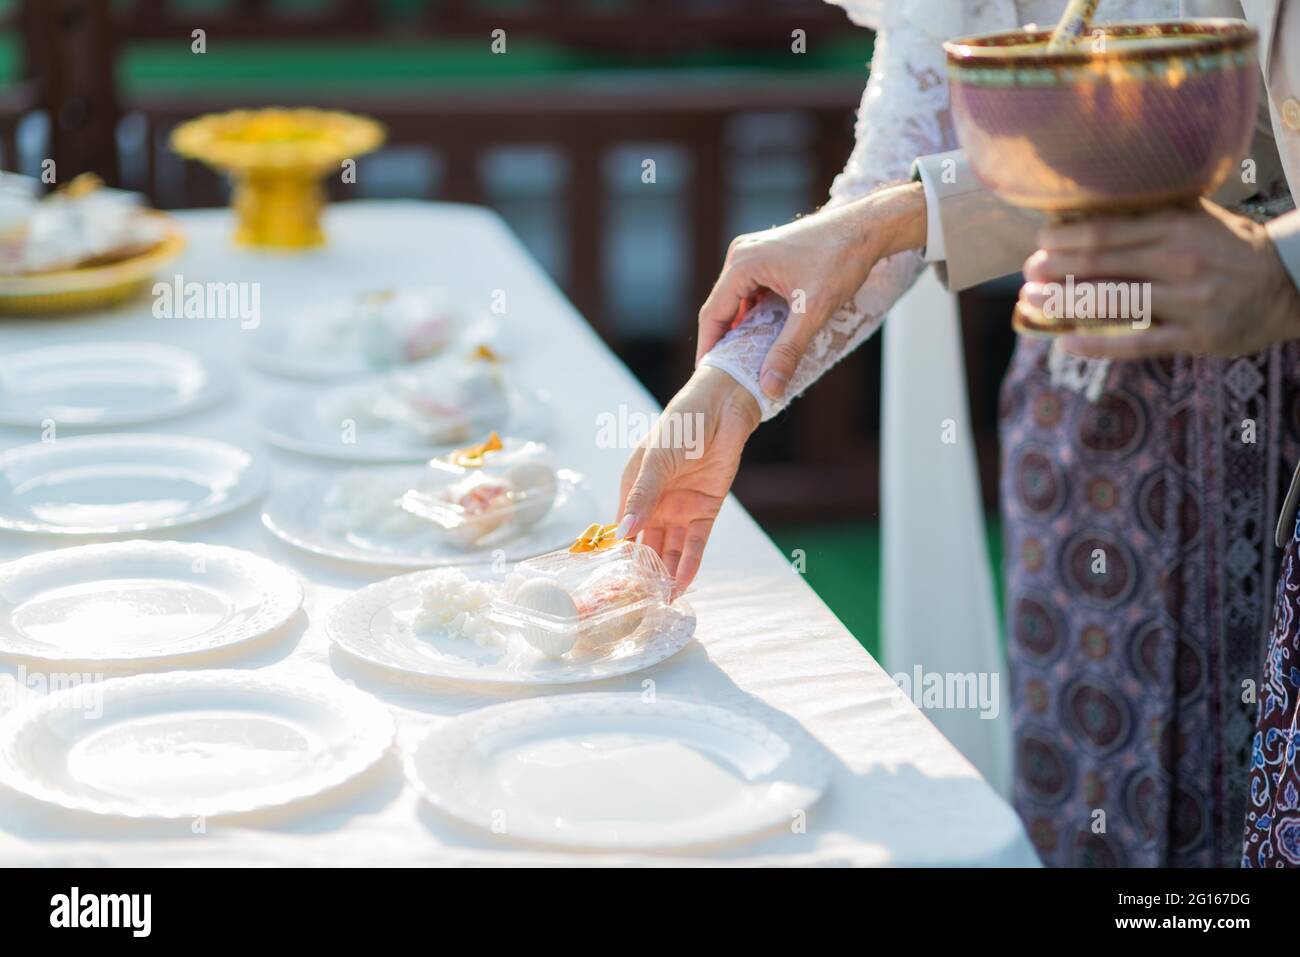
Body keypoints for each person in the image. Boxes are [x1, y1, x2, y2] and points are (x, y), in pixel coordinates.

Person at [619, 0, 1300, 866]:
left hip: (1256, 387)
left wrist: (1276, 272)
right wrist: (733, 382)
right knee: (1095, 773)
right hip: (1079, 405)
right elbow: (918, 169)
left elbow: (1223, 144)